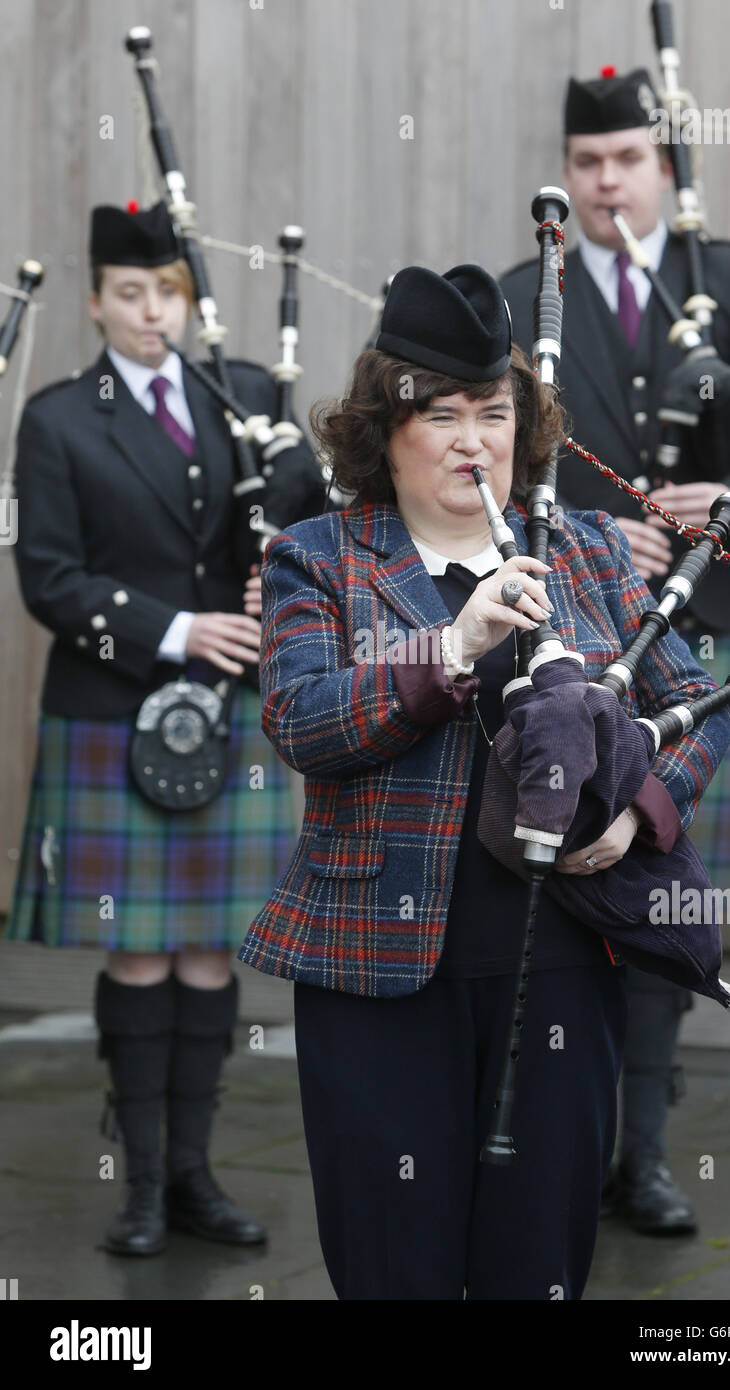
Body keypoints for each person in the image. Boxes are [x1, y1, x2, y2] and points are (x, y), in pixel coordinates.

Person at [238, 263, 730, 1299]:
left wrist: (637, 816)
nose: (473, 438)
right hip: (380, 978)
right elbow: (301, 719)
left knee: (536, 1266)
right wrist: (448, 645)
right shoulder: (316, 557)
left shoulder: (591, 550)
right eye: (441, 414)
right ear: (385, 430)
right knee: (395, 1268)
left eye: (493, 413)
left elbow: (695, 704)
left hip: (556, 964)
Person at [501, 65, 730, 1235]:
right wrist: (590, 531)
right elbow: (490, 437)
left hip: (694, 634)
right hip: (569, 622)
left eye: (624, 159)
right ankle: (557, 1141)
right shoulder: (523, 289)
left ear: (661, 167)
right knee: (566, 873)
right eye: (585, 163)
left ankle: (642, 1151)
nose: (603, 181)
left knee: (664, 888)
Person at [6, 200, 325, 1256]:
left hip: (225, 718)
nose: (154, 313)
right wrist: (183, 628)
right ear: (96, 299)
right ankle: (140, 1185)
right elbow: (49, 578)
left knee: (206, 955)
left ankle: (195, 1173)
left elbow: (294, 531)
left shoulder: (238, 403)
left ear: (192, 300)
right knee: (138, 956)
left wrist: (280, 541)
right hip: (113, 711)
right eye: (132, 293)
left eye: (171, 293)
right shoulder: (57, 418)